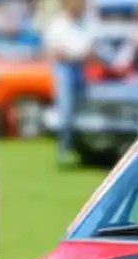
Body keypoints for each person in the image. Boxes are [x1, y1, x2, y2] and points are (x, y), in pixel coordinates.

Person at [43, 0, 93, 165]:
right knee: (66, 111)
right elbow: (55, 51)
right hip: (65, 69)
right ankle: (64, 148)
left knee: (81, 112)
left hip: (81, 68)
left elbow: (89, 48)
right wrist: (74, 54)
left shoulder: (85, 24)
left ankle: (80, 149)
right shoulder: (58, 25)